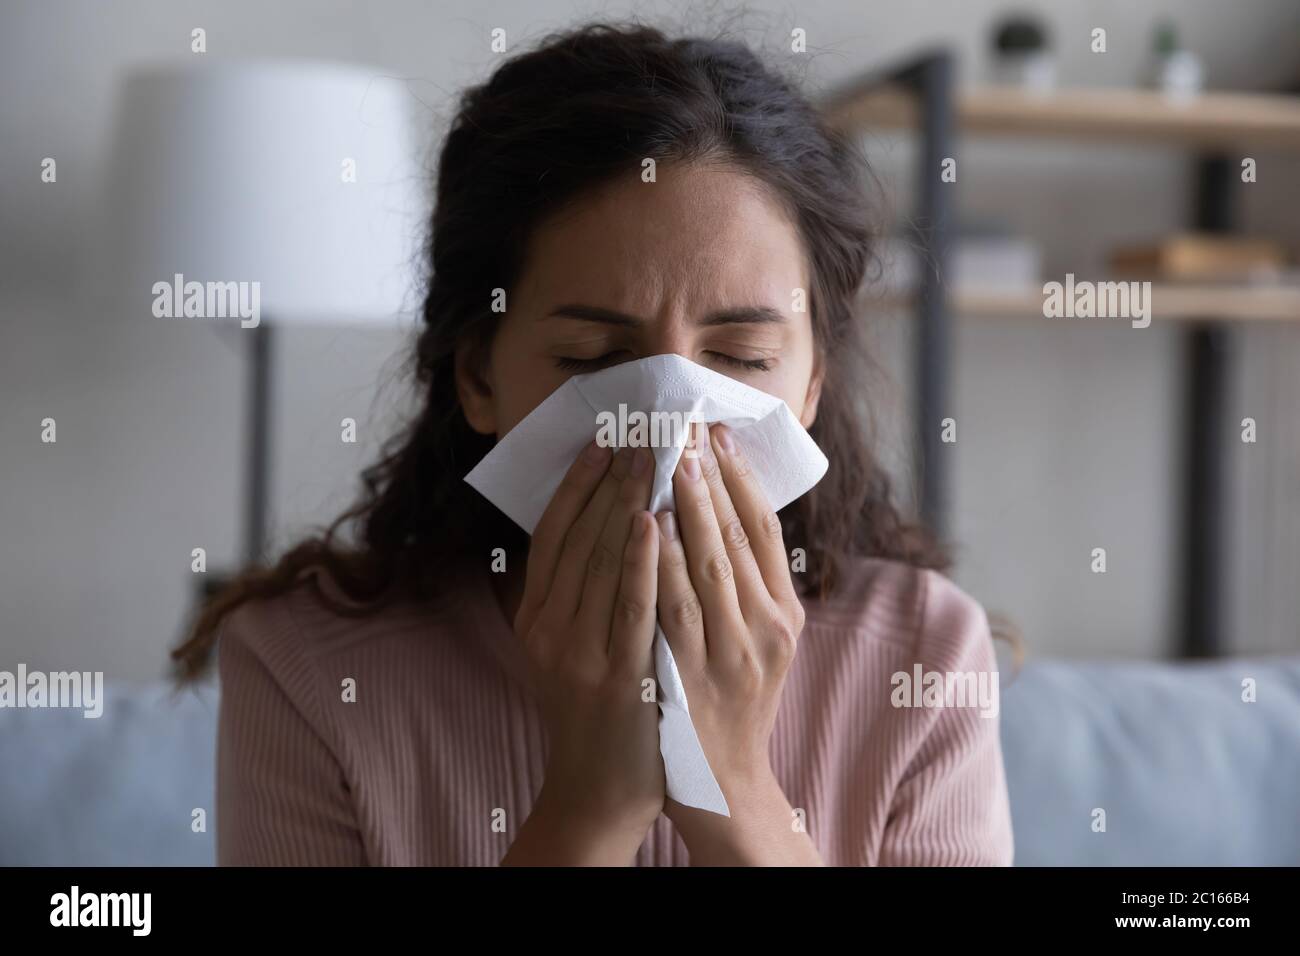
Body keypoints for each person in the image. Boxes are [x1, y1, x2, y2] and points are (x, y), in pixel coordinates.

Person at [173, 21, 1015, 866]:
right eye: (594, 358)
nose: (667, 417)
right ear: (478, 377)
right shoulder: (306, 668)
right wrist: (589, 807)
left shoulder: (922, 657)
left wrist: (730, 785)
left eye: (741, 358)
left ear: (810, 386)